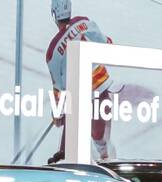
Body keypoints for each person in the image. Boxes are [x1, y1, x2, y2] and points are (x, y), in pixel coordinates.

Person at [46, 0, 116, 160]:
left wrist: (57, 113)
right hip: (101, 88)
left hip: (78, 98)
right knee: (100, 141)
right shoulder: (83, 22)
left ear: (54, 14)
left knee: (70, 144)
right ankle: (104, 158)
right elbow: (107, 43)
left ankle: (65, 157)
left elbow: (58, 88)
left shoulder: (53, 51)